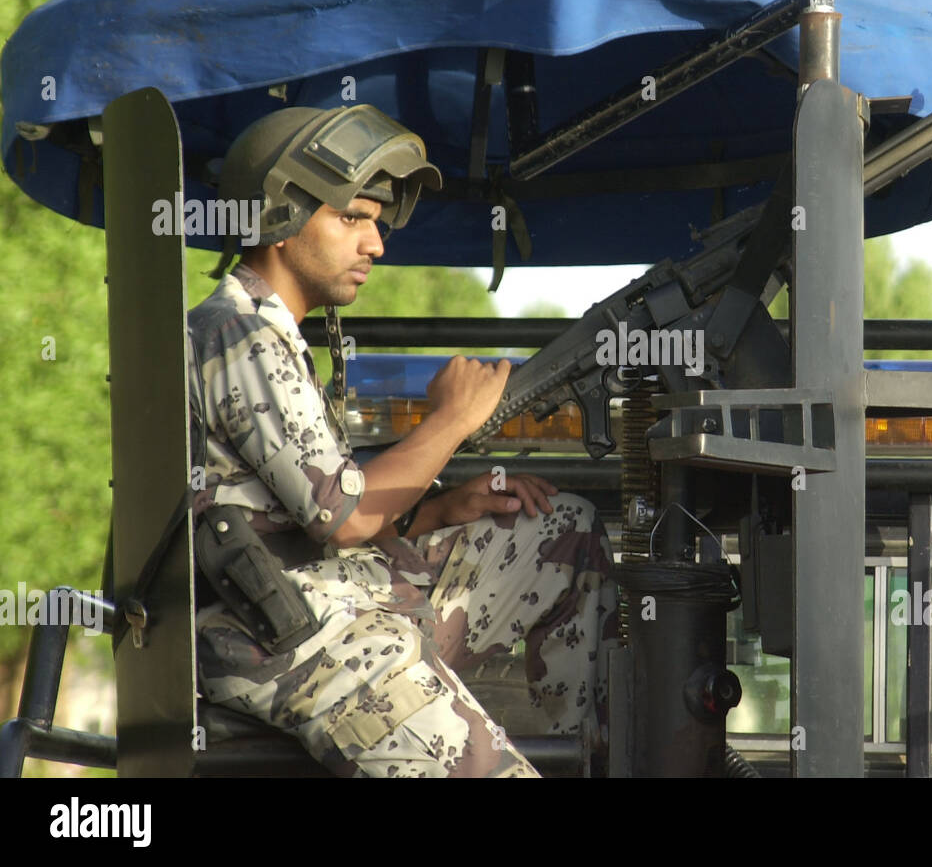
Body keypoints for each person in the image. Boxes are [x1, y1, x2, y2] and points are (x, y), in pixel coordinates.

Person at [187, 104, 617, 778]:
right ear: (280, 216)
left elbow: (307, 507)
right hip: (291, 640)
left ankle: (588, 760)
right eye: (352, 218)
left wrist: (435, 510)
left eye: (377, 224)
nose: (375, 245)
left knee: (563, 531)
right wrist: (451, 419)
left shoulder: (268, 335)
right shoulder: (235, 335)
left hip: (344, 593)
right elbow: (345, 513)